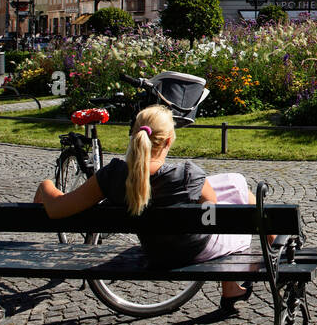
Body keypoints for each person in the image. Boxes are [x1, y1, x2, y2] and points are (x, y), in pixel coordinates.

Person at [32, 104, 270, 309]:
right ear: (169, 140)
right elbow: (212, 208)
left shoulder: (112, 176)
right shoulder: (187, 174)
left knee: (232, 182)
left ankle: (232, 286)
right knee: (239, 189)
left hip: (155, 250)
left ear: (133, 136)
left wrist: (45, 186)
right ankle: (272, 247)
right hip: (194, 251)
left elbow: (57, 208)